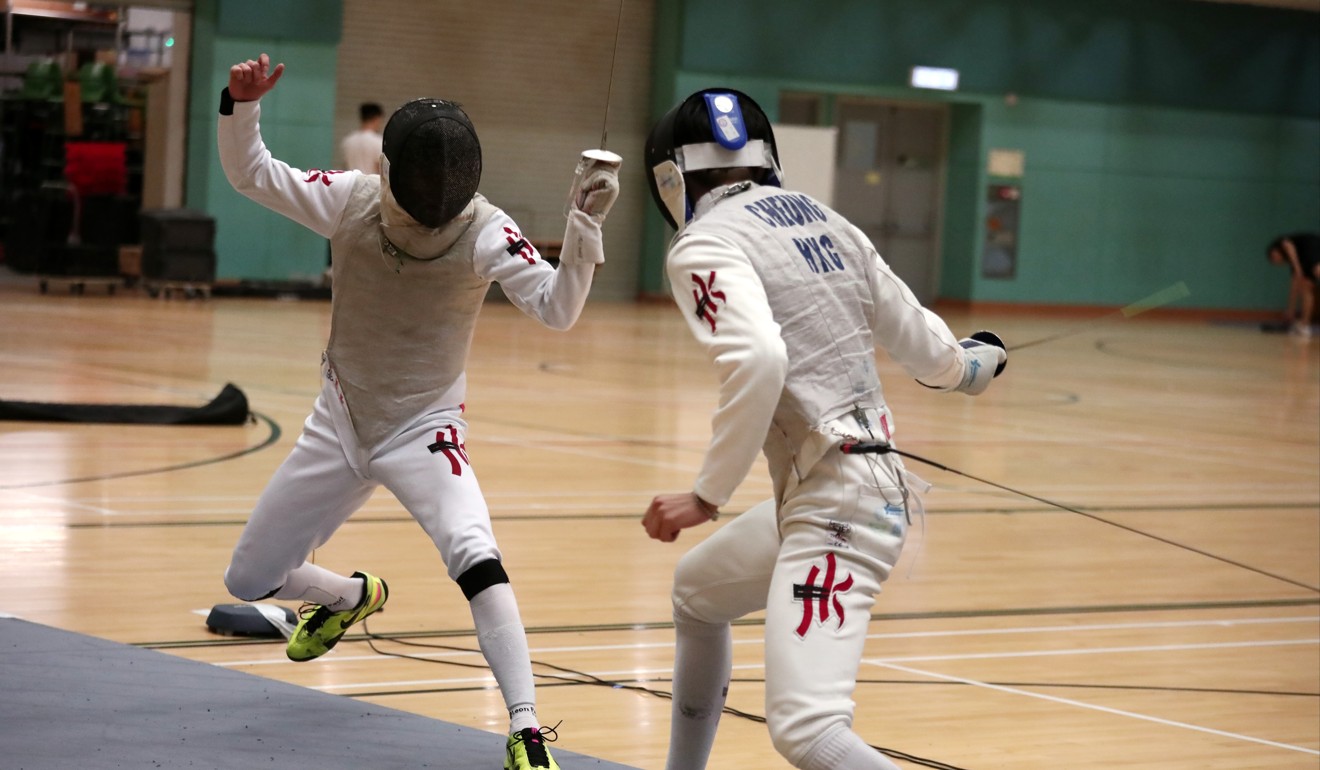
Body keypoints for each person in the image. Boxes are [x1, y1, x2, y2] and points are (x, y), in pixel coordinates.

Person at [217, 54, 620, 770]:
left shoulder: (488, 231)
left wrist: (583, 226)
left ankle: (525, 729)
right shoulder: (352, 199)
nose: (434, 196)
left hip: (424, 430)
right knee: (249, 579)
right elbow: (253, 173)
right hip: (339, 419)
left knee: (477, 557)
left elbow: (558, 310)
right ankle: (349, 596)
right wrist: (240, 106)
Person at [639, 89, 1006, 770]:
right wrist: (976, 364)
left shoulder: (704, 243)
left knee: (809, 732)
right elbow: (934, 354)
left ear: (671, 178)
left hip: (839, 506)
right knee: (697, 592)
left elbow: (759, 358)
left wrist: (705, 496)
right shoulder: (829, 221)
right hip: (837, 489)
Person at [1266, 233, 1320, 337]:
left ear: (1275, 250)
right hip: (1304, 260)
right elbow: (1294, 288)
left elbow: (1289, 248)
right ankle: (1305, 325)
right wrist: (1290, 309)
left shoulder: (1284, 243)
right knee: (1305, 288)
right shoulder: (1295, 265)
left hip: (1314, 247)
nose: (1276, 259)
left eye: (1274, 256)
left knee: (1317, 270)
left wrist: (1297, 268)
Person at [340, 101, 385, 173]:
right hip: (371, 183)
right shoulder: (378, 141)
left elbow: (345, 167)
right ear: (376, 119)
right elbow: (381, 170)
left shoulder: (348, 141)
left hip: (352, 183)